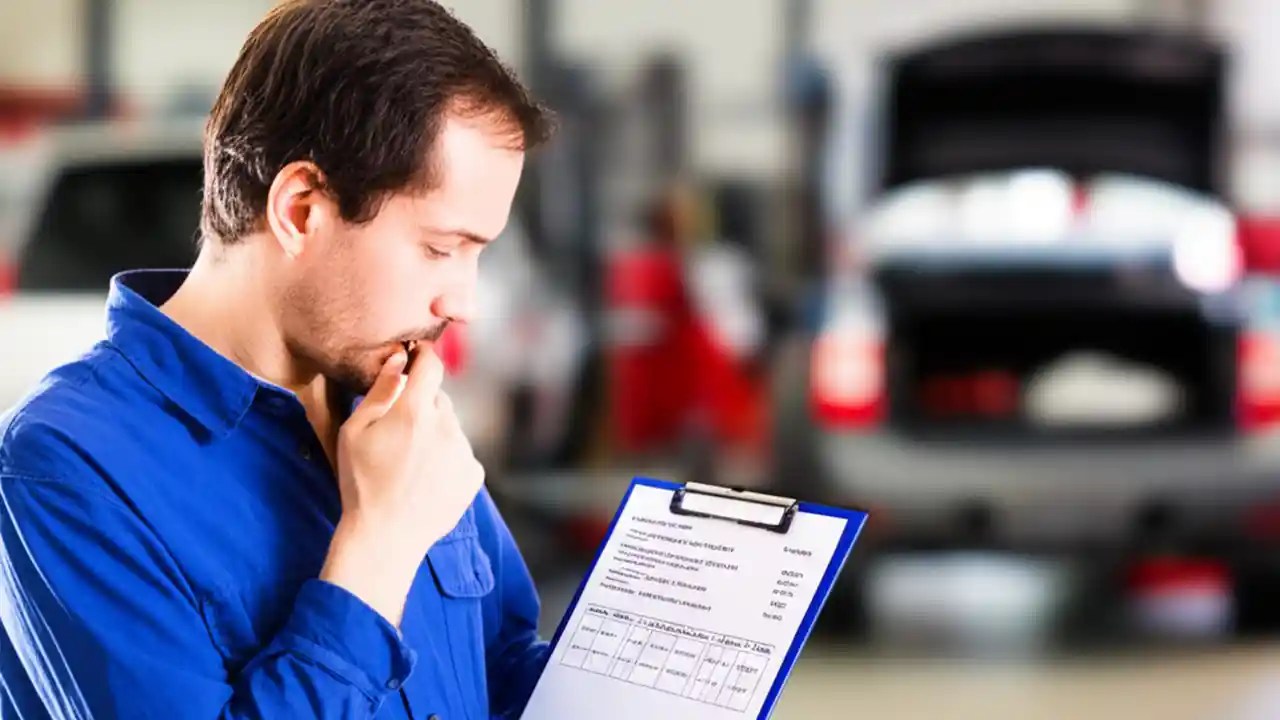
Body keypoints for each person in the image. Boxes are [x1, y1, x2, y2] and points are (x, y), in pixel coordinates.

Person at [0, 1, 555, 717]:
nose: (464, 302)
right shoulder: (68, 471)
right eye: (441, 250)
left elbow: (503, 670)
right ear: (300, 210)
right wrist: (377, 544)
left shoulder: (396, 406)